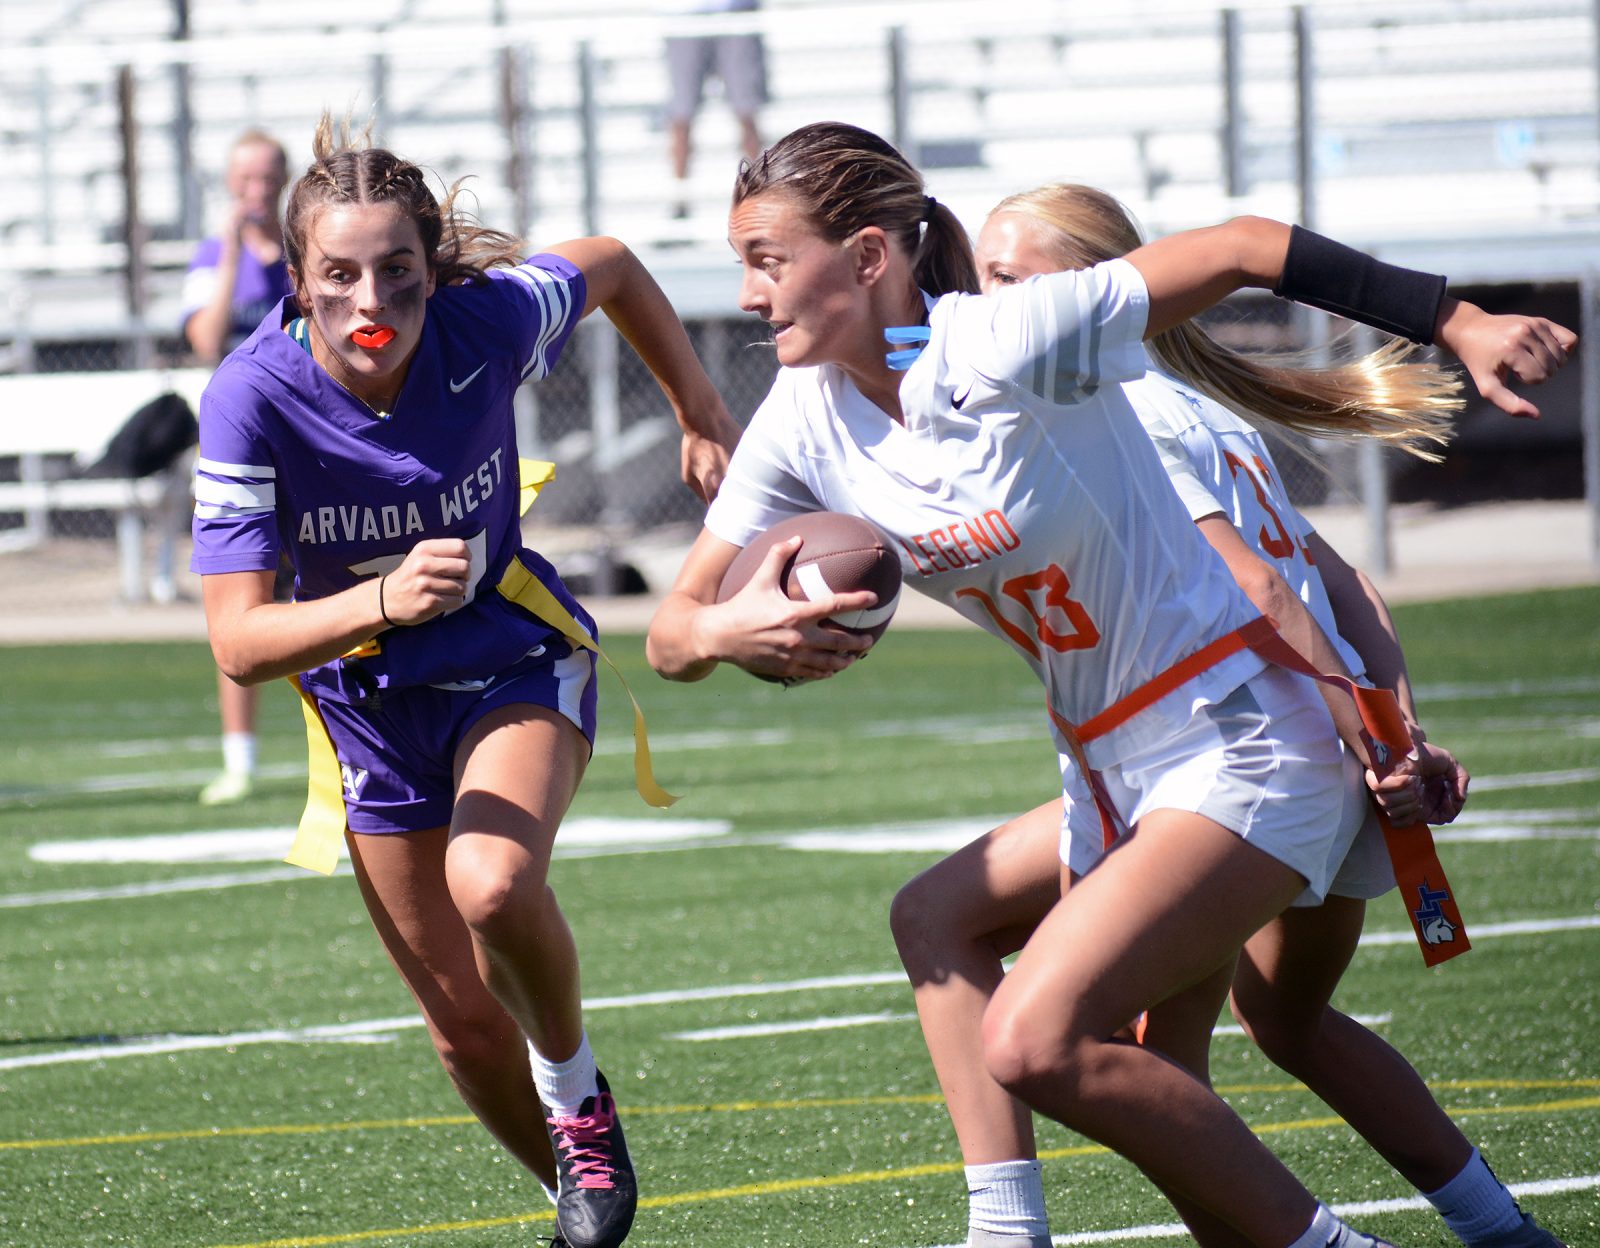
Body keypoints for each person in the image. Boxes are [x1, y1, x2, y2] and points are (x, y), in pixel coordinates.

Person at [643, 121, 1575, 1248]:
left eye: (767, 258)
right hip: (1111, 766)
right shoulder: (801, 416)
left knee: (1041, 1041)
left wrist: (1456, 320)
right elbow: (672, 630)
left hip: (1237, 731)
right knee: (1122, 1066)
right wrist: (736, 627)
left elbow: (1240, 246)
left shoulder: (1006, 341)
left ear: (870, 257)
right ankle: (1019, 1230)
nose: (743, 292)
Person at [889, 182, 1565, 1248]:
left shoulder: (1109, 416)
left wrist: (1360, 720)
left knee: (1072, 1014)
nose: (988, 305)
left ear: (1091, 284)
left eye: (1013, 281)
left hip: (1245, 755)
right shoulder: (1190, 404)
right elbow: (1342, 581)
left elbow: (1256, 585)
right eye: (984, 282)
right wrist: (1394, 726)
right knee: (1283, 1024)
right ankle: (1502, 1233)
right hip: (1329, 757)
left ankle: (1013, 1228)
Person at [190, 116, 741, 1248]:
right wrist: (379, 601)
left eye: (396, 269)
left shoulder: (483, 322)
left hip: (514, 657)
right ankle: (576, 1207)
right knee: (462, 1032)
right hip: (369, 707)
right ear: (295, 282)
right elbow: (238, 643)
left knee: (491, 884)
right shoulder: (252, 397)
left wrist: (700, 411)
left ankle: (580, 1099)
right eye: (336, 275)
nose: (368, 299)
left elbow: (617, 265)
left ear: (431, 269)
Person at [181, 129, 295, 806]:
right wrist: (231, 252)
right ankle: (240, 760)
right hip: (243, 454)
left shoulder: (311, 252)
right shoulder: (211, 256)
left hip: (306, 447)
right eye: (247, 178)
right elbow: (205, 338)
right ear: (230, 184)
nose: (258, 190)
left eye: (268, 177)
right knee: (240, 605)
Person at [660, 0, 767, 219]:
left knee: (746, 111)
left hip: (734, 12)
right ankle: (679, 203)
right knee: (681, 115)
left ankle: (758, 195)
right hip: (683, 15)